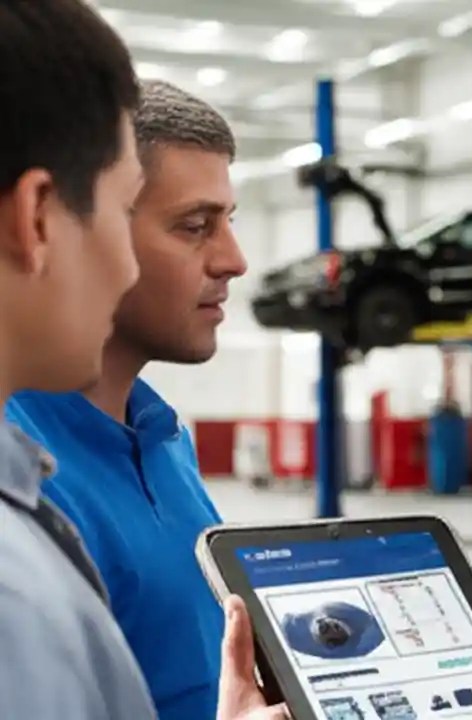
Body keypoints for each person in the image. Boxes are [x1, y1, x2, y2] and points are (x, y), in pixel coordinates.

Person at [0, 2, 281, 718]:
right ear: (38, 217)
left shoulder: (161, 437)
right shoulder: (28, 486)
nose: (235, 261)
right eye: (193, 226)